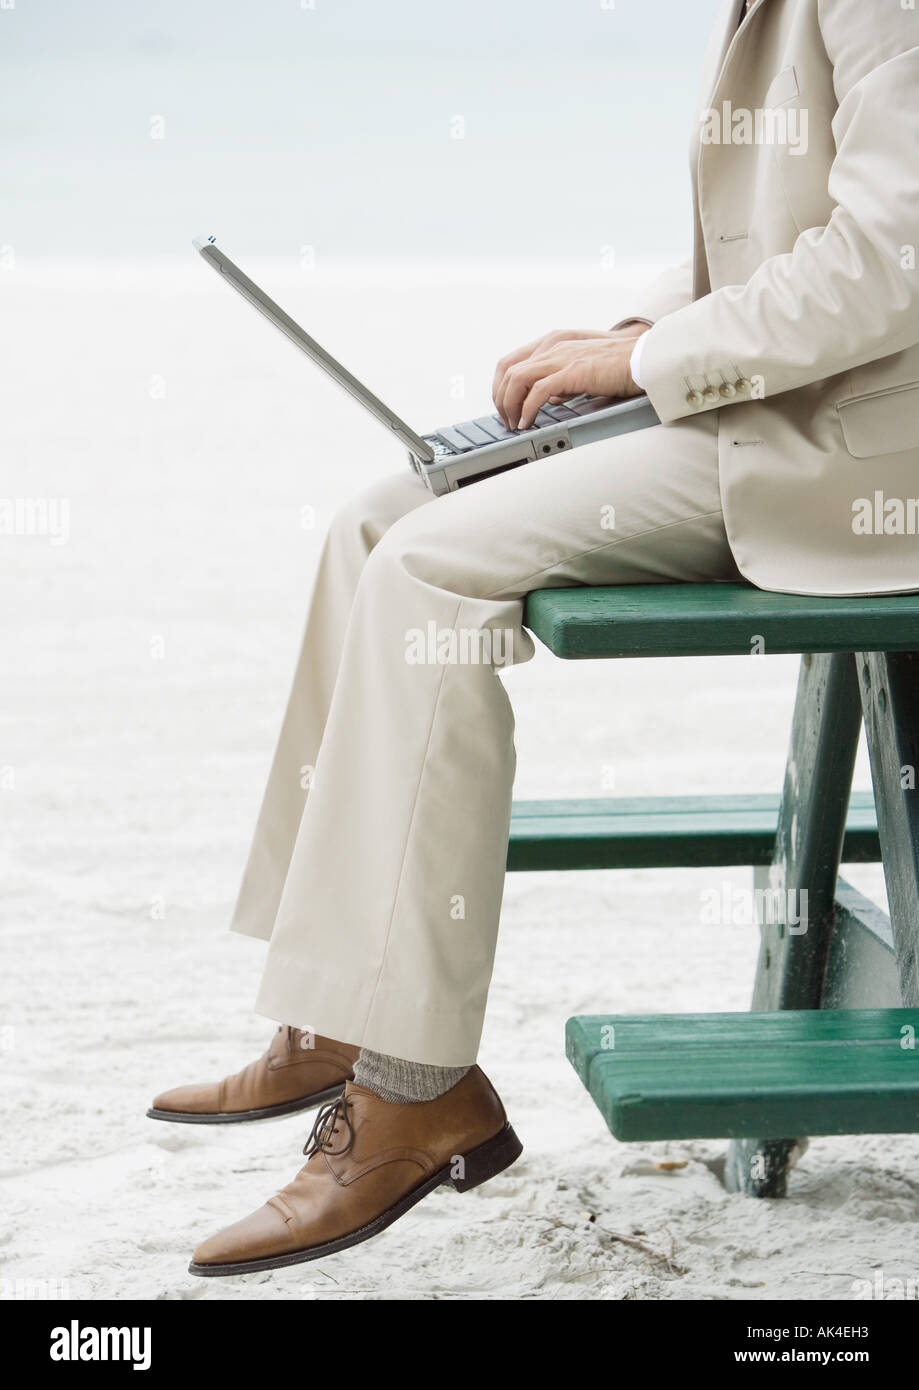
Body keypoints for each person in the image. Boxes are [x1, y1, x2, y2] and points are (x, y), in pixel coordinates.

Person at [150, 0, 919, 1275]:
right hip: (773, 408)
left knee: (431, 570)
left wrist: (653, 365)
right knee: (370, 527)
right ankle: (337, 1014)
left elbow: (892, 254)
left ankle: (414, 1090)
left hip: (843, 456)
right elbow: (769, 241)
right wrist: (621, 338)